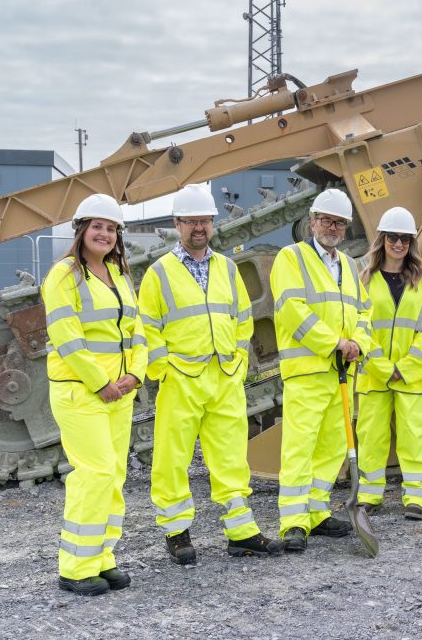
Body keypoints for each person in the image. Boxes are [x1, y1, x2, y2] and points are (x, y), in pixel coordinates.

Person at [139, 183, 282, 564]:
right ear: (177, 224)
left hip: (224, 377)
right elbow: (147, 327)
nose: (199, 228)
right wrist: (162, 368)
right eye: (191, 222)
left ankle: (242, 531)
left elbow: (242, 317)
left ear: (213, 224)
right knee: (172, 457)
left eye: (204, 221)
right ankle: (177, 532)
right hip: (180, 379)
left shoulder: (226, 268)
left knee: (231, 456)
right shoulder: (159, 273)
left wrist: (236, 359)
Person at [43, 193, 146, 596]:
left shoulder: (120, 276)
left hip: (118, 394)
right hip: (81, 393)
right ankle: (74, 567)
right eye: (97, 226)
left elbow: (139, 333)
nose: (104, 234)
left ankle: (102, 558)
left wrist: (135, 375)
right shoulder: (64, 276)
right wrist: (101, 383)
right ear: (81, 229)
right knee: (95, 473)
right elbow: (66, 338)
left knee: (114, 477)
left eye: (111, 228)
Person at [271, 188, 374, 551]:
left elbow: (364, 311)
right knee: (300, 446)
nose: (332, 227)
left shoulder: (349, 265)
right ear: (312, 221)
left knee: (332, 447)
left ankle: (316, 512)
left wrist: (360, 342)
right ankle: (293, 522)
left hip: (341, 373)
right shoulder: (291, 258)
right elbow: (291, 309)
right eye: (326, 220)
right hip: (308, 369)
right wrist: (333, 343)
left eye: (339, 223)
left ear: (345, 228)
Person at [355, 207, 422, 521]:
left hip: (410, 375)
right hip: (375, 375)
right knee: (371, 436)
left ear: (411, 243)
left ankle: (415, 498)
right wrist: (381, 366)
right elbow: (360, 325)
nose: (399, 244)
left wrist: (405, 367)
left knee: (413, 436)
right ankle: (369, 495)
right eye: (393, 237)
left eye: (405, 238)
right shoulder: (365, 276)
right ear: (382, 240)